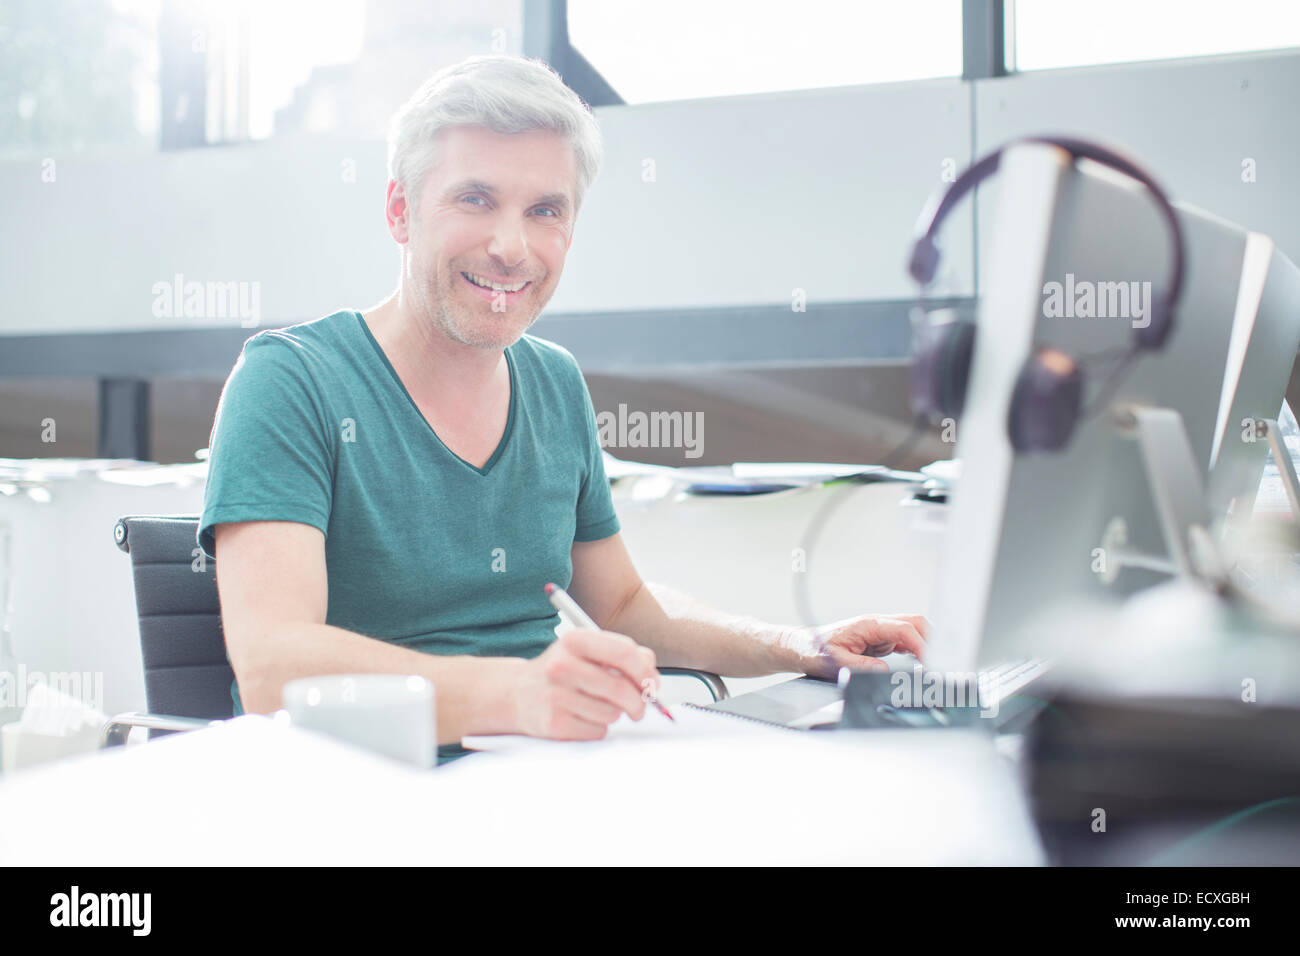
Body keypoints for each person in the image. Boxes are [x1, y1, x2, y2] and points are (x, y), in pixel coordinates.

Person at [200, 54, 927, 759]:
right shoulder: (290, 381)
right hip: (365, 797)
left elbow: (620, 608)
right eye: (475, 199)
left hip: (549, 775)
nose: (511, 247)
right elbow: (274, 667)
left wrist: (797, 646)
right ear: (400, 209)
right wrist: (519, 694)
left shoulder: (554, 382)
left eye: (544, 210)